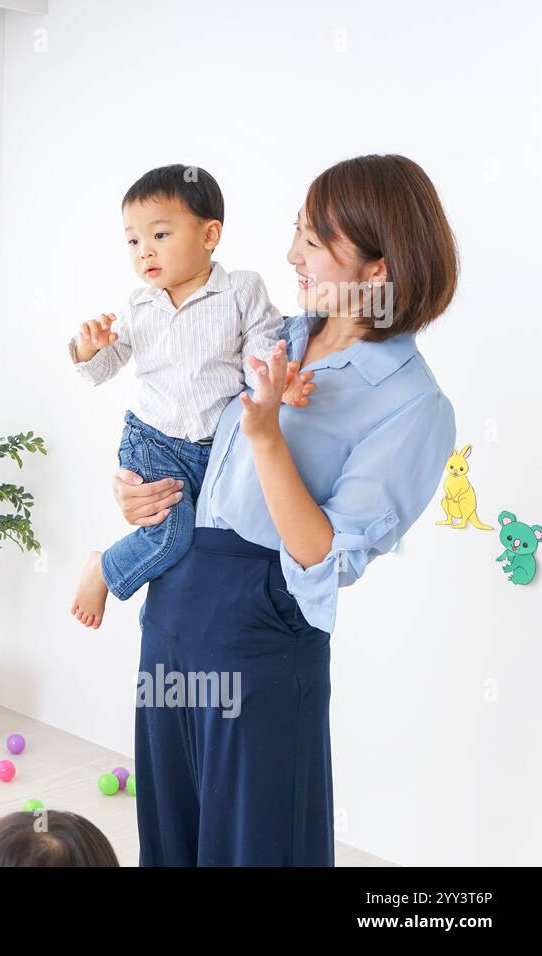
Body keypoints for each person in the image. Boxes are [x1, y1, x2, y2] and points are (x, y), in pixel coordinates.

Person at [105, 154, 458, 865]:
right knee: (170, 834)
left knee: (253, 846)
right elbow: (193, 437)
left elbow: (325, 557)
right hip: (177, 605)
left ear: (378, 271)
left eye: (315, 242)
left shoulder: (414, 406)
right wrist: (138, 492)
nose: (291, 254)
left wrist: (267, 436)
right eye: (296, 231)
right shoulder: (279, 334)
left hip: (261, 630)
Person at [68, 164, 313, 627]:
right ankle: (104, 569)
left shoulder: (242, 289)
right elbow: (99, 370)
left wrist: (282, 385)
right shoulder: (137, 306)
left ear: (209, 234)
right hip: (153, 442)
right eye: (133, 241)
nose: (144, 252)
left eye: (159, 235)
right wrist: (88, 346)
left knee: (206, 542)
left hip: (214, 450)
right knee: (171, 536)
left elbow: (262, 353)